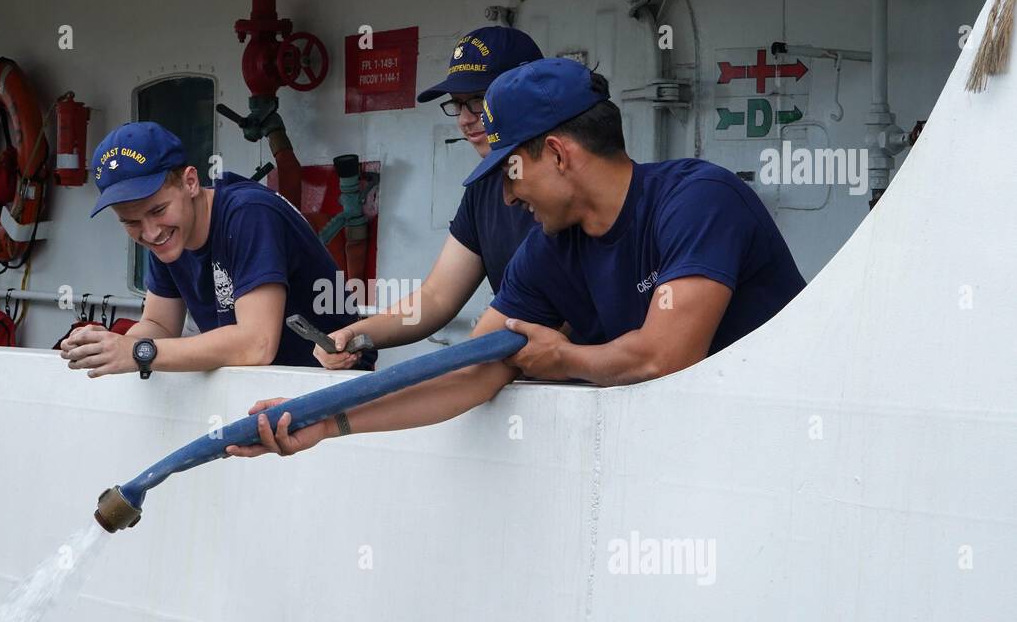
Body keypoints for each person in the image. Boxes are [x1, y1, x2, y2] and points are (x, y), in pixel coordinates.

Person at [227, 57, 806, 458]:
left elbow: (665, 356)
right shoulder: (549, 250)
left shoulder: (698, 199)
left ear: (557, 153)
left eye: (509, 171)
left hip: (786, 445)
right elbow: (472, 370)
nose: (505, 195)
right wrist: (327, 418)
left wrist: (566, 357)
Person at [60, 121, 375, 377]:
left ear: (191, 182)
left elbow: (256, 344)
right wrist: (108, 348)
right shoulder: (167, 237)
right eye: (130, 221)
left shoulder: (249, 214)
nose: (150, 232)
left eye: (158, 211)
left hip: (328, 389)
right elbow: (159, 325)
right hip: (258, 391)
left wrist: (138, 353)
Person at [315, 26, 543, 369]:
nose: (466, 119)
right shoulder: (482, 190)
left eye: (479, 102)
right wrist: (357, 334)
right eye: (457, 105)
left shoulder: (568, 191)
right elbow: (436, 298)